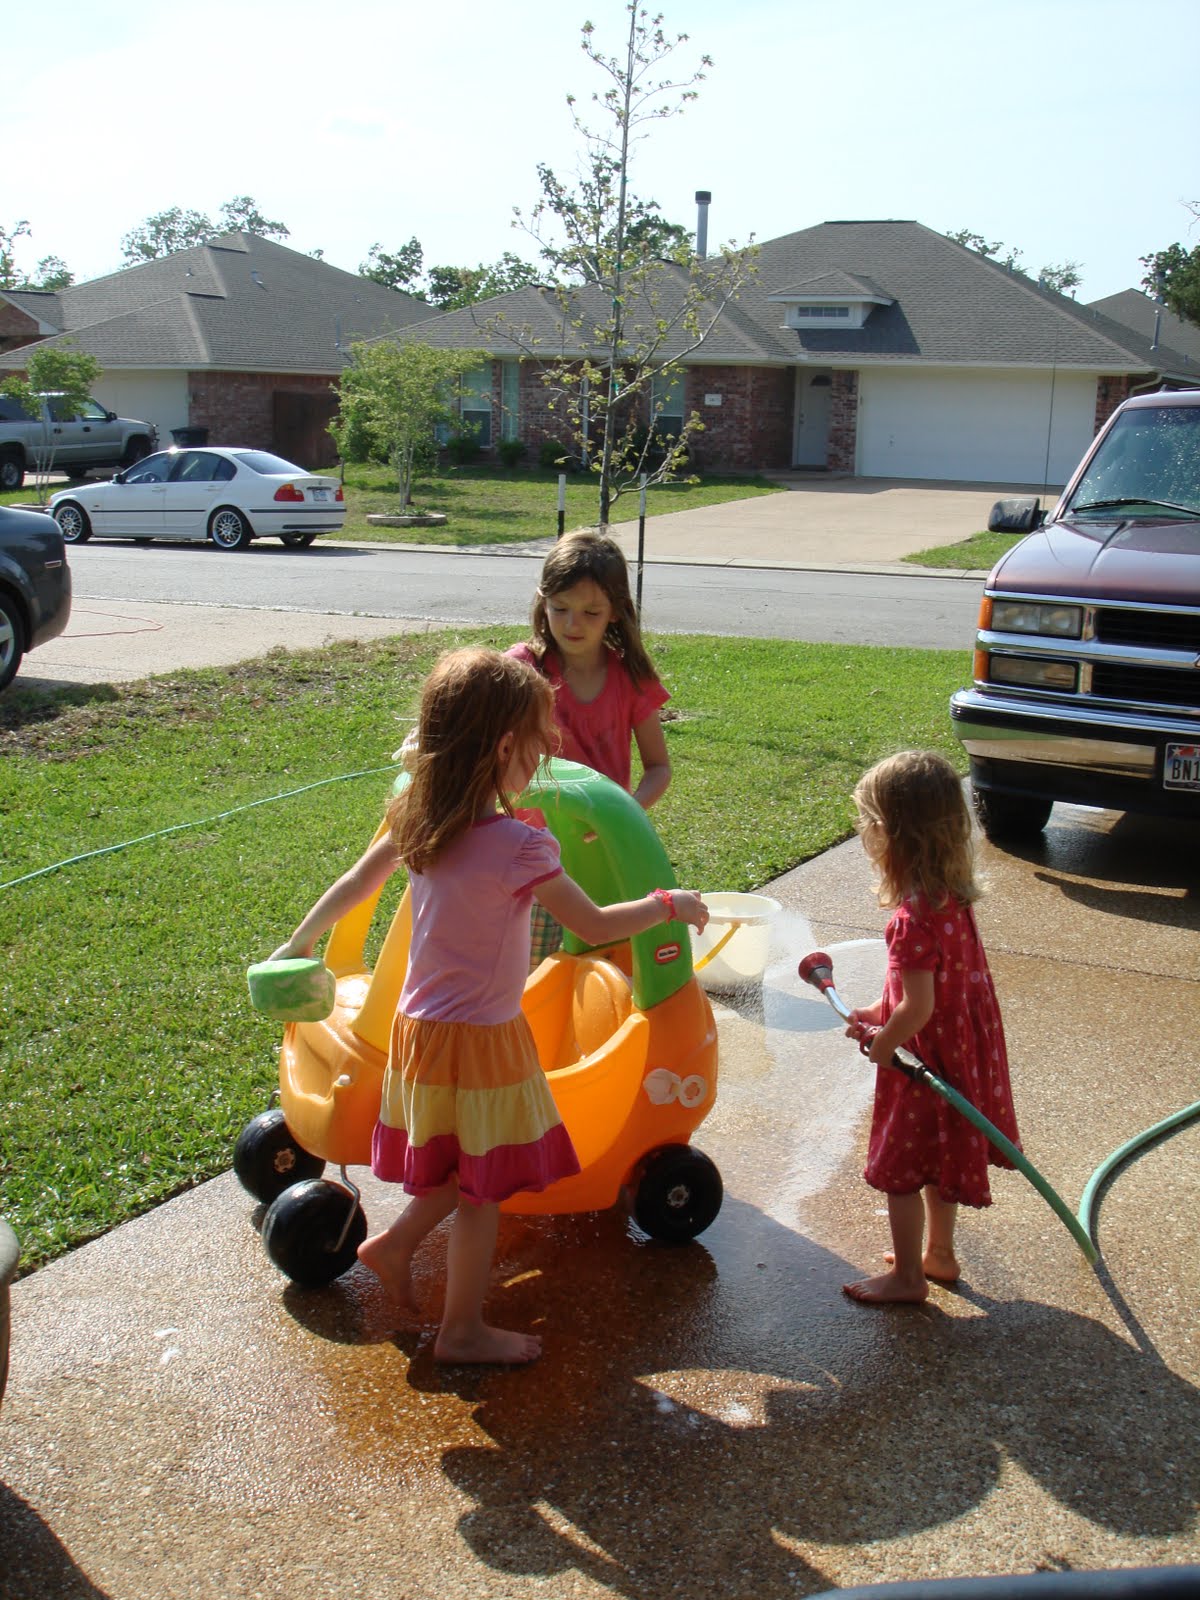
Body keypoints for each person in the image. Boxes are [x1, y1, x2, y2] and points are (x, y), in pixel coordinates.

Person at [270, 647, 708, 1364]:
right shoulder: (519, 845)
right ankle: (462, 1330)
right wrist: (668, 903)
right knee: (484, 1190)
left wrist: (296, 944)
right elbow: (594, 926)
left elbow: (354, 884)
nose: (542, 759)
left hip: (420, 1035)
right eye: (539, 745)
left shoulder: (418, 817)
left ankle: (397, 1242)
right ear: (506, 746)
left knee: (457, 1168)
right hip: (483, 1042)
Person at [842, 750, 1021, 1306]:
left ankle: (908, 1281)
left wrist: (884, 1044)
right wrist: (877, 1010)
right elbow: (924, 994)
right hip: (956, 1055)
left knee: (901, 1167)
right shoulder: (951, 901)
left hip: (923, 1065)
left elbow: (916, 1010)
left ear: (891, 835)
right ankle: (939, 1255)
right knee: (937, 1160)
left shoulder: (910, 919)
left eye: (869, 823)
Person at [508, 530, 672, 963]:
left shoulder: (632, 678)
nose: (572, 624)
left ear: (615, 612)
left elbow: (658, 767)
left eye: (590, 612)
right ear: (543, 602)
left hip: (603, 846)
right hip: (532, 850)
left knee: (602, 960)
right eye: (560, 609)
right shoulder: (522, 669)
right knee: (532, 968)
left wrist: (623, 815)